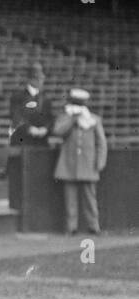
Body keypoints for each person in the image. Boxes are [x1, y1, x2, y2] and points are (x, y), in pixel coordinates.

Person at [49, 87, 107, 236]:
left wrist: (100, 162)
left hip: (88, 164)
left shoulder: (94, 119)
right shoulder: (65, 117)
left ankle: (94, 226)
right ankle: (71, 228)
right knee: (70, 199)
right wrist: (73, 119)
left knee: (90, 199)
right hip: (69, 164)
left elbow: (101, 143)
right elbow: (58, 131)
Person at [9, 62, 53, 147]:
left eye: (41, 78)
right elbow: (15, 117)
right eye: (36, 78)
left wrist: (45, 129)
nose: (40, 81)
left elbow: (50, 118)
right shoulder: (18, 96)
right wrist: (29, 129)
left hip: (41, 142)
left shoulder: (46, 98)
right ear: (30, 79)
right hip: (22, 141)